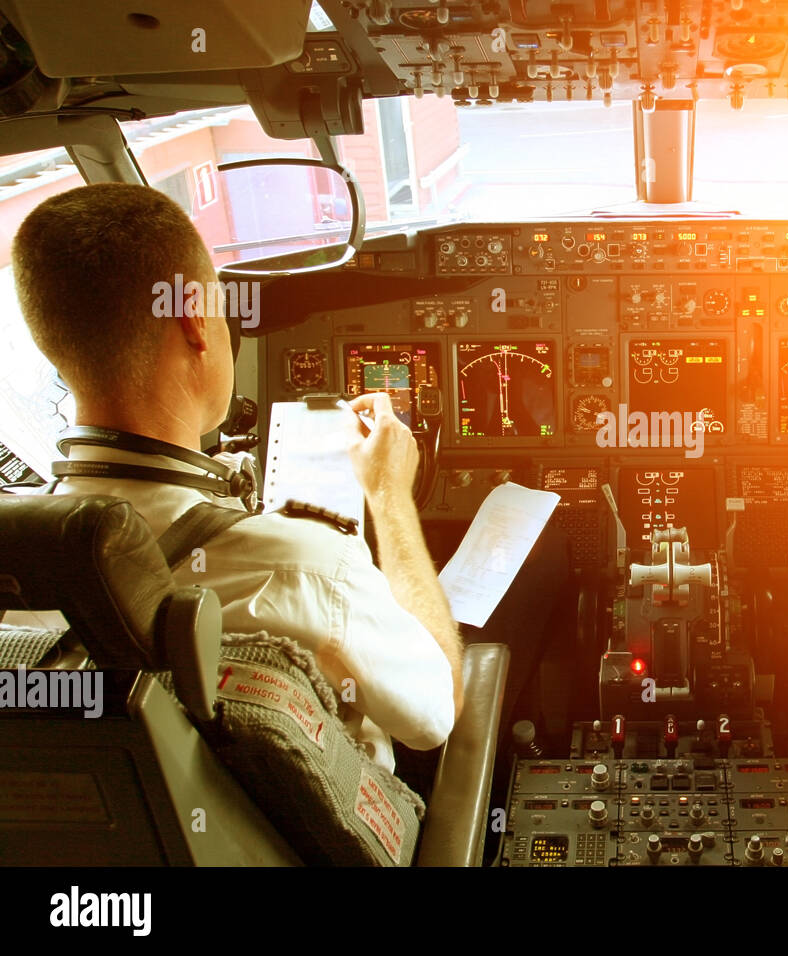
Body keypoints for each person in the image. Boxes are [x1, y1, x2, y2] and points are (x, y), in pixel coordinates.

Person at [10, 183, 462, 776]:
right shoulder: (309, 568)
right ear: (196, 322)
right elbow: (437, 714)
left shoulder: (17, 568)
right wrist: (389, 497)